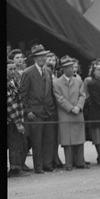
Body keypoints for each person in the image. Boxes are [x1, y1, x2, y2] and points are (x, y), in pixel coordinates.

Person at [18, 44, 59, 173]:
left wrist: (51, 108)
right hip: (35, 113)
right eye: (39, 57)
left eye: (44, 56)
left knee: (49, 139)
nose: (42, 59)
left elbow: (51, 92)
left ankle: (47, 164)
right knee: (37, 141)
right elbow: (22, 95)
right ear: (34, 58)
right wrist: (28, 110)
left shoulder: (48, 71)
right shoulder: (28, 72)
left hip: (48, 111)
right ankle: (39, 166)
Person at [52, 55, 89, 170]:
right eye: (67, 67)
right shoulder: (57, 83)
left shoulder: (78, 81)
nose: (70, 69)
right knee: (67, 140)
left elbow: (83, 95)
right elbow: (59, 99)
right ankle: (69, 163)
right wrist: (71, 108)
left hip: (78, 113)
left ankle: (80, 162)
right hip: (65, 114)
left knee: (79, 138)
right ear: (62, 69)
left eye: (71, 67)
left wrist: (78, 106)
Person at [6, 58, 28, 177]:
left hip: (18, 117)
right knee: (14, 144)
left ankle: (17, 167)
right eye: (10, 69)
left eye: (14, 68)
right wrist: (18, 123)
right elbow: (10, 105)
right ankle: (14, 170)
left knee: (20, 143)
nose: (13, 71)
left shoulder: (14, 81)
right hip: (12, 120)